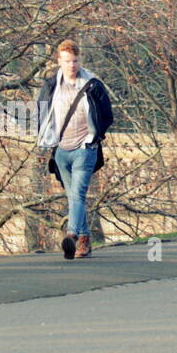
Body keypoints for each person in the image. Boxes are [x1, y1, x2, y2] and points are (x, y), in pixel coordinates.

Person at [34, 39, 113, 259]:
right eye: (67, 61)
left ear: (80, 60)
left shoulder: (93, 84)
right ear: (59, 61)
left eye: (75, 61)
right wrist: (46, 138)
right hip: (61, 150)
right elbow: (42, 112)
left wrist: (94, 137)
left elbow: (107, 115)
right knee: (72, 197)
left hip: (85, 149)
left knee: (77, 194)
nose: (72, 65)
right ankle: (85, 241)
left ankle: (72, 235)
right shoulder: (51, 85)